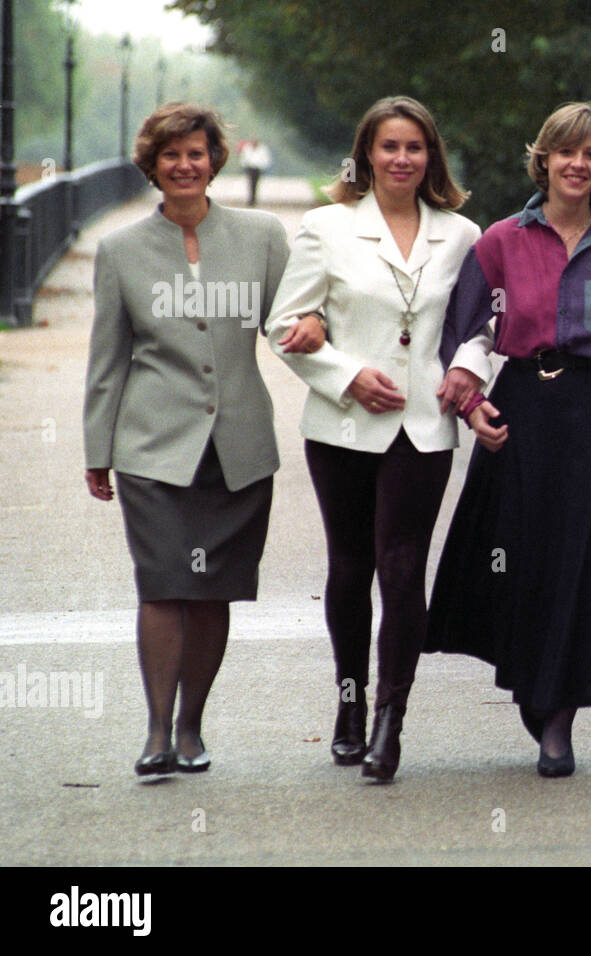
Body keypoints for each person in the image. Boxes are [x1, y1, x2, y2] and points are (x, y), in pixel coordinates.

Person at [427, 102, 591, 778]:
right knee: (521, 559)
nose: (579, 164)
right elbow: (465, 334)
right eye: (567, 152)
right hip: (521, 408)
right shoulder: (499, 242)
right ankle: (532, 682)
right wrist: (473, 409)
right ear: (543, 158)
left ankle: (558, 718)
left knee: (587, 563)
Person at [266, 96, 484, 782]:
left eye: (414, 148)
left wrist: (467, 369)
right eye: (388, 147)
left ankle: (392, 717)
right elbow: (286, 325)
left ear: (431, 158)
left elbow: (478, 325)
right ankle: (351, 704)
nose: (401, 159)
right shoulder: (327, 228)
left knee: (402, 566)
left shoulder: (463, 234)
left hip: (423, 423)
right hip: (343, 423)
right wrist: (346, 373)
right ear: (365, 156)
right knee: (351, 566)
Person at [83, 102, 290, 776]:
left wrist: (352, 373)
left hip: (237, 449)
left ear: (214, 160)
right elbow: (107, 359)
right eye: (170, 155)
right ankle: (155, 732)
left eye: (195, 153)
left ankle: (193, 727)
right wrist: (97, 450)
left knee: (213, 591)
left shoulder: (262, 237)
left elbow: (293, 331)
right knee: (164, 585)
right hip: (152, 448)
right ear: (153, 164)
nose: (184, 165)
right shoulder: (120, 251)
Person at [239, 138, 271, 207]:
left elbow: (265, 159)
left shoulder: (262, 149)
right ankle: (251, 199)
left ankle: (253, 199)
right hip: (250, 167)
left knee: (255, 183)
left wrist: (264, 167)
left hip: (258, 168)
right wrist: (244, 166)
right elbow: (244, 158)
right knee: (251, 183)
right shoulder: (247, 149)